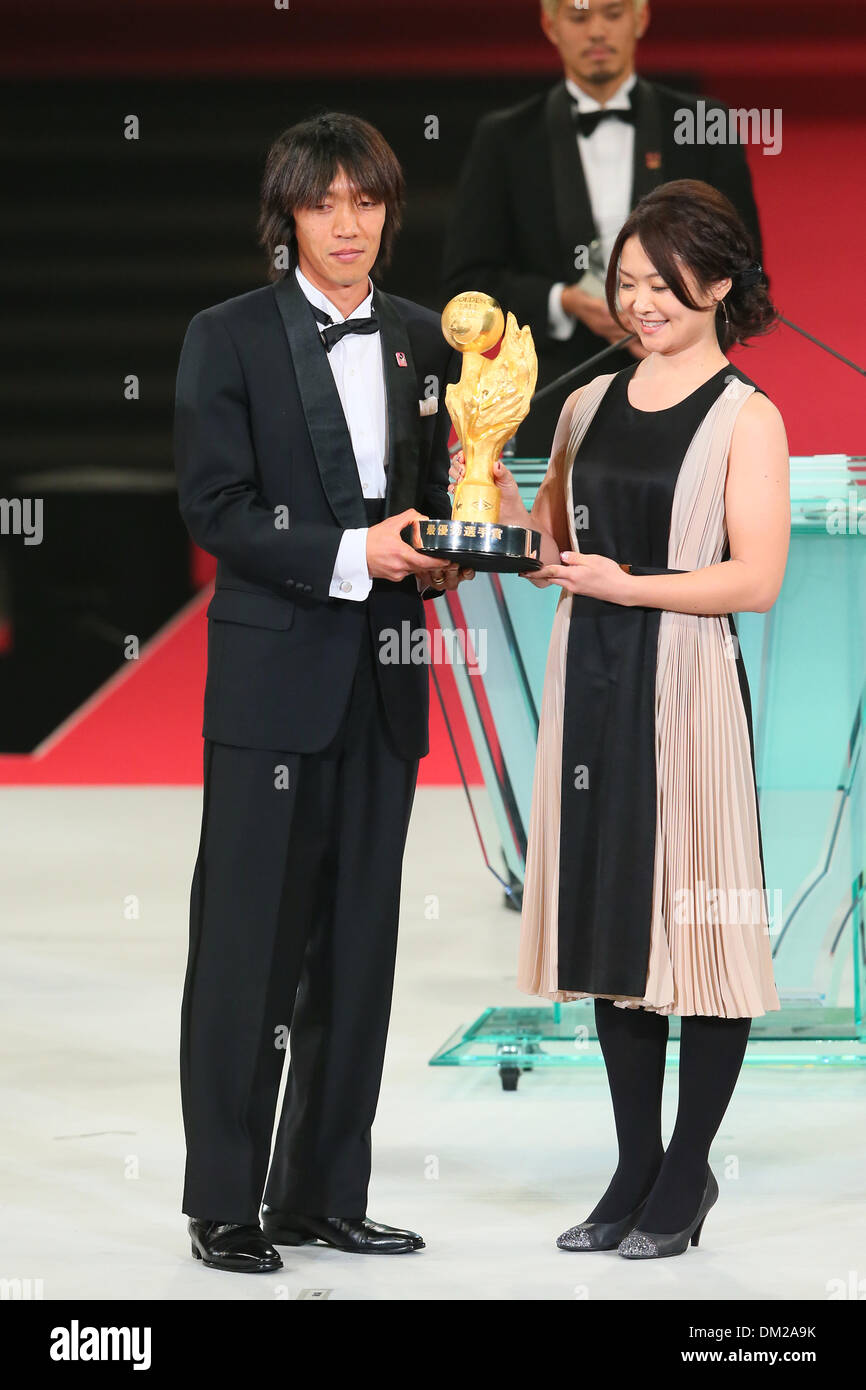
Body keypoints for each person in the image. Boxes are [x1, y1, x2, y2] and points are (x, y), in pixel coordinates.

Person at [449, 178, 789, 1259]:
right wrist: (484, 498)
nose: (638, 304)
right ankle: (630, 1163)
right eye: (627, 282)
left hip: (683, 686)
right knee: (612, 932)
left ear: (719, 285)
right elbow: (556, 549)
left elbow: (755, 580)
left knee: (701, 933)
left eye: (662, 284)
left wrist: (629, 584)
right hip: (591, 682)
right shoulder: (586, 402)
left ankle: (686, 1172)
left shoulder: (748, 415)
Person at [174, 112, 471, 1273]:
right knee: (248, 949)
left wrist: (445, 548)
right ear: (287, 215)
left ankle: (322, 1193)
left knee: (357, 950)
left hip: (383, 686)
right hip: (270, 690)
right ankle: (224, 1204)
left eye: (368, 202)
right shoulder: (226, 335)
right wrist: (360, 554)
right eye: (325, 203)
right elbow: (216, 509)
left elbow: (439, 489)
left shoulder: (420, 337)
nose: (348, 224)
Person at [441, 0, 763, 457]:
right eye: (578, 17)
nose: (596, 31)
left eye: (612, 14)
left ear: (641, 17)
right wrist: (564, 301)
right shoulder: (505, 137)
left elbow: (748, 270)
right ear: (550, 24)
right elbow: (468, 285)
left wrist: (674, 318)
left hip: (685, 392)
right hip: (552, 399)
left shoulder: (703, 125)